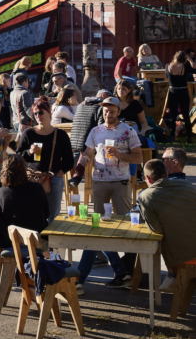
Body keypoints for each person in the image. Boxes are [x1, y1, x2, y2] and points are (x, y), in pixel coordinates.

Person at [74, 97, 144, 289]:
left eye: (112, 111)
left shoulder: (128, 131)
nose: (108, 114)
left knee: (125, 225)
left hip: (120, 182)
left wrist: (120, 154)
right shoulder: (96, 131)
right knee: (98, 227)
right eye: (105, 111)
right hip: (99, 181)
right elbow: (88, 153)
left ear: (119, 112)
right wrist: (84, 161)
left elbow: (139, 158)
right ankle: (120, 271)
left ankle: (127, 269)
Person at [138, 159, 196, 292]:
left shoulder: (147, 195)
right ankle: (173, 274)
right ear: (167, 174)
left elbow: (156, 229)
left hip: (187, 253)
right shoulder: (187, 185)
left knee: (164, 237)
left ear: (147, 178)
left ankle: (173, 273)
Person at [16, 97, 74, 222]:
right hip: (32, 179)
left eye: (41, 112)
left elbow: (69, 160)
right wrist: (29, 152)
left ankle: (51, 235)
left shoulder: (61, 135)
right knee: (32, 214)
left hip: (53, 179)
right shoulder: (28, 133)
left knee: (53, 216)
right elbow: (18, 156)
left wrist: (58, 175)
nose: (38, 116)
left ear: (49, 112)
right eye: (35, 113)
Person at [0, 155, 50, 234]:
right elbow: (47, 214)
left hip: (12, 239)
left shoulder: (1, 192)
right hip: (38, 238)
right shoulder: (37, 188)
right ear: (24, 170)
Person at [69, 89, 112, 155]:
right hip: (89, 144)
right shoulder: (100, 107)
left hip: (74, 141)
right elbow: (101, 128)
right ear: (104, 95)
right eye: (109, 99)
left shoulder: (81, 105)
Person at [163, 51, 192, 143]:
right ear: (184, 59)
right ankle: (189, 137)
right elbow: (194, 69)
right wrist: (190, 60)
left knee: (172, 115)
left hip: (172, 91)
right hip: (183, 91)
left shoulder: (168, 65)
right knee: (186, 115)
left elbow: (166, 75)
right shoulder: (185, 66)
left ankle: (172, 137)